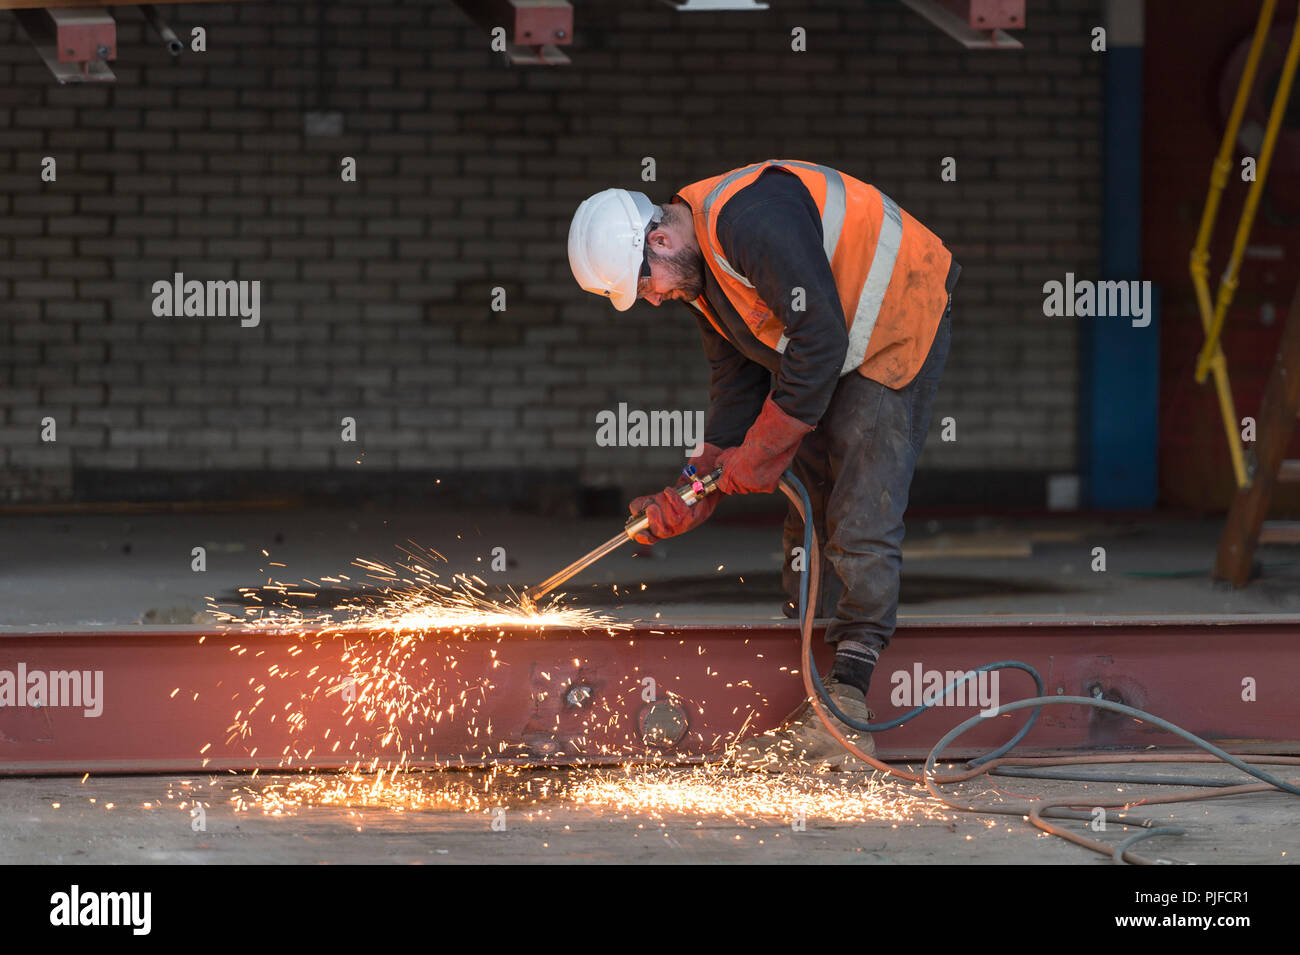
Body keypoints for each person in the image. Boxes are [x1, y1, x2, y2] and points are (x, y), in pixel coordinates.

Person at [567, 160, 958, 771]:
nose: (655, 298)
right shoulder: (703, 284)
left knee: (859, 501)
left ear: (660, 241)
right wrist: (693, 489)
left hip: (895, 315)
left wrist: (767, 447)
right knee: (810, 499)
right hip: (834, 336)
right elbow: (735, 393)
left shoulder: (751, 220)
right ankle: (817, 701)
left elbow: (821, 340)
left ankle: (848, 711)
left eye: (647, 286)